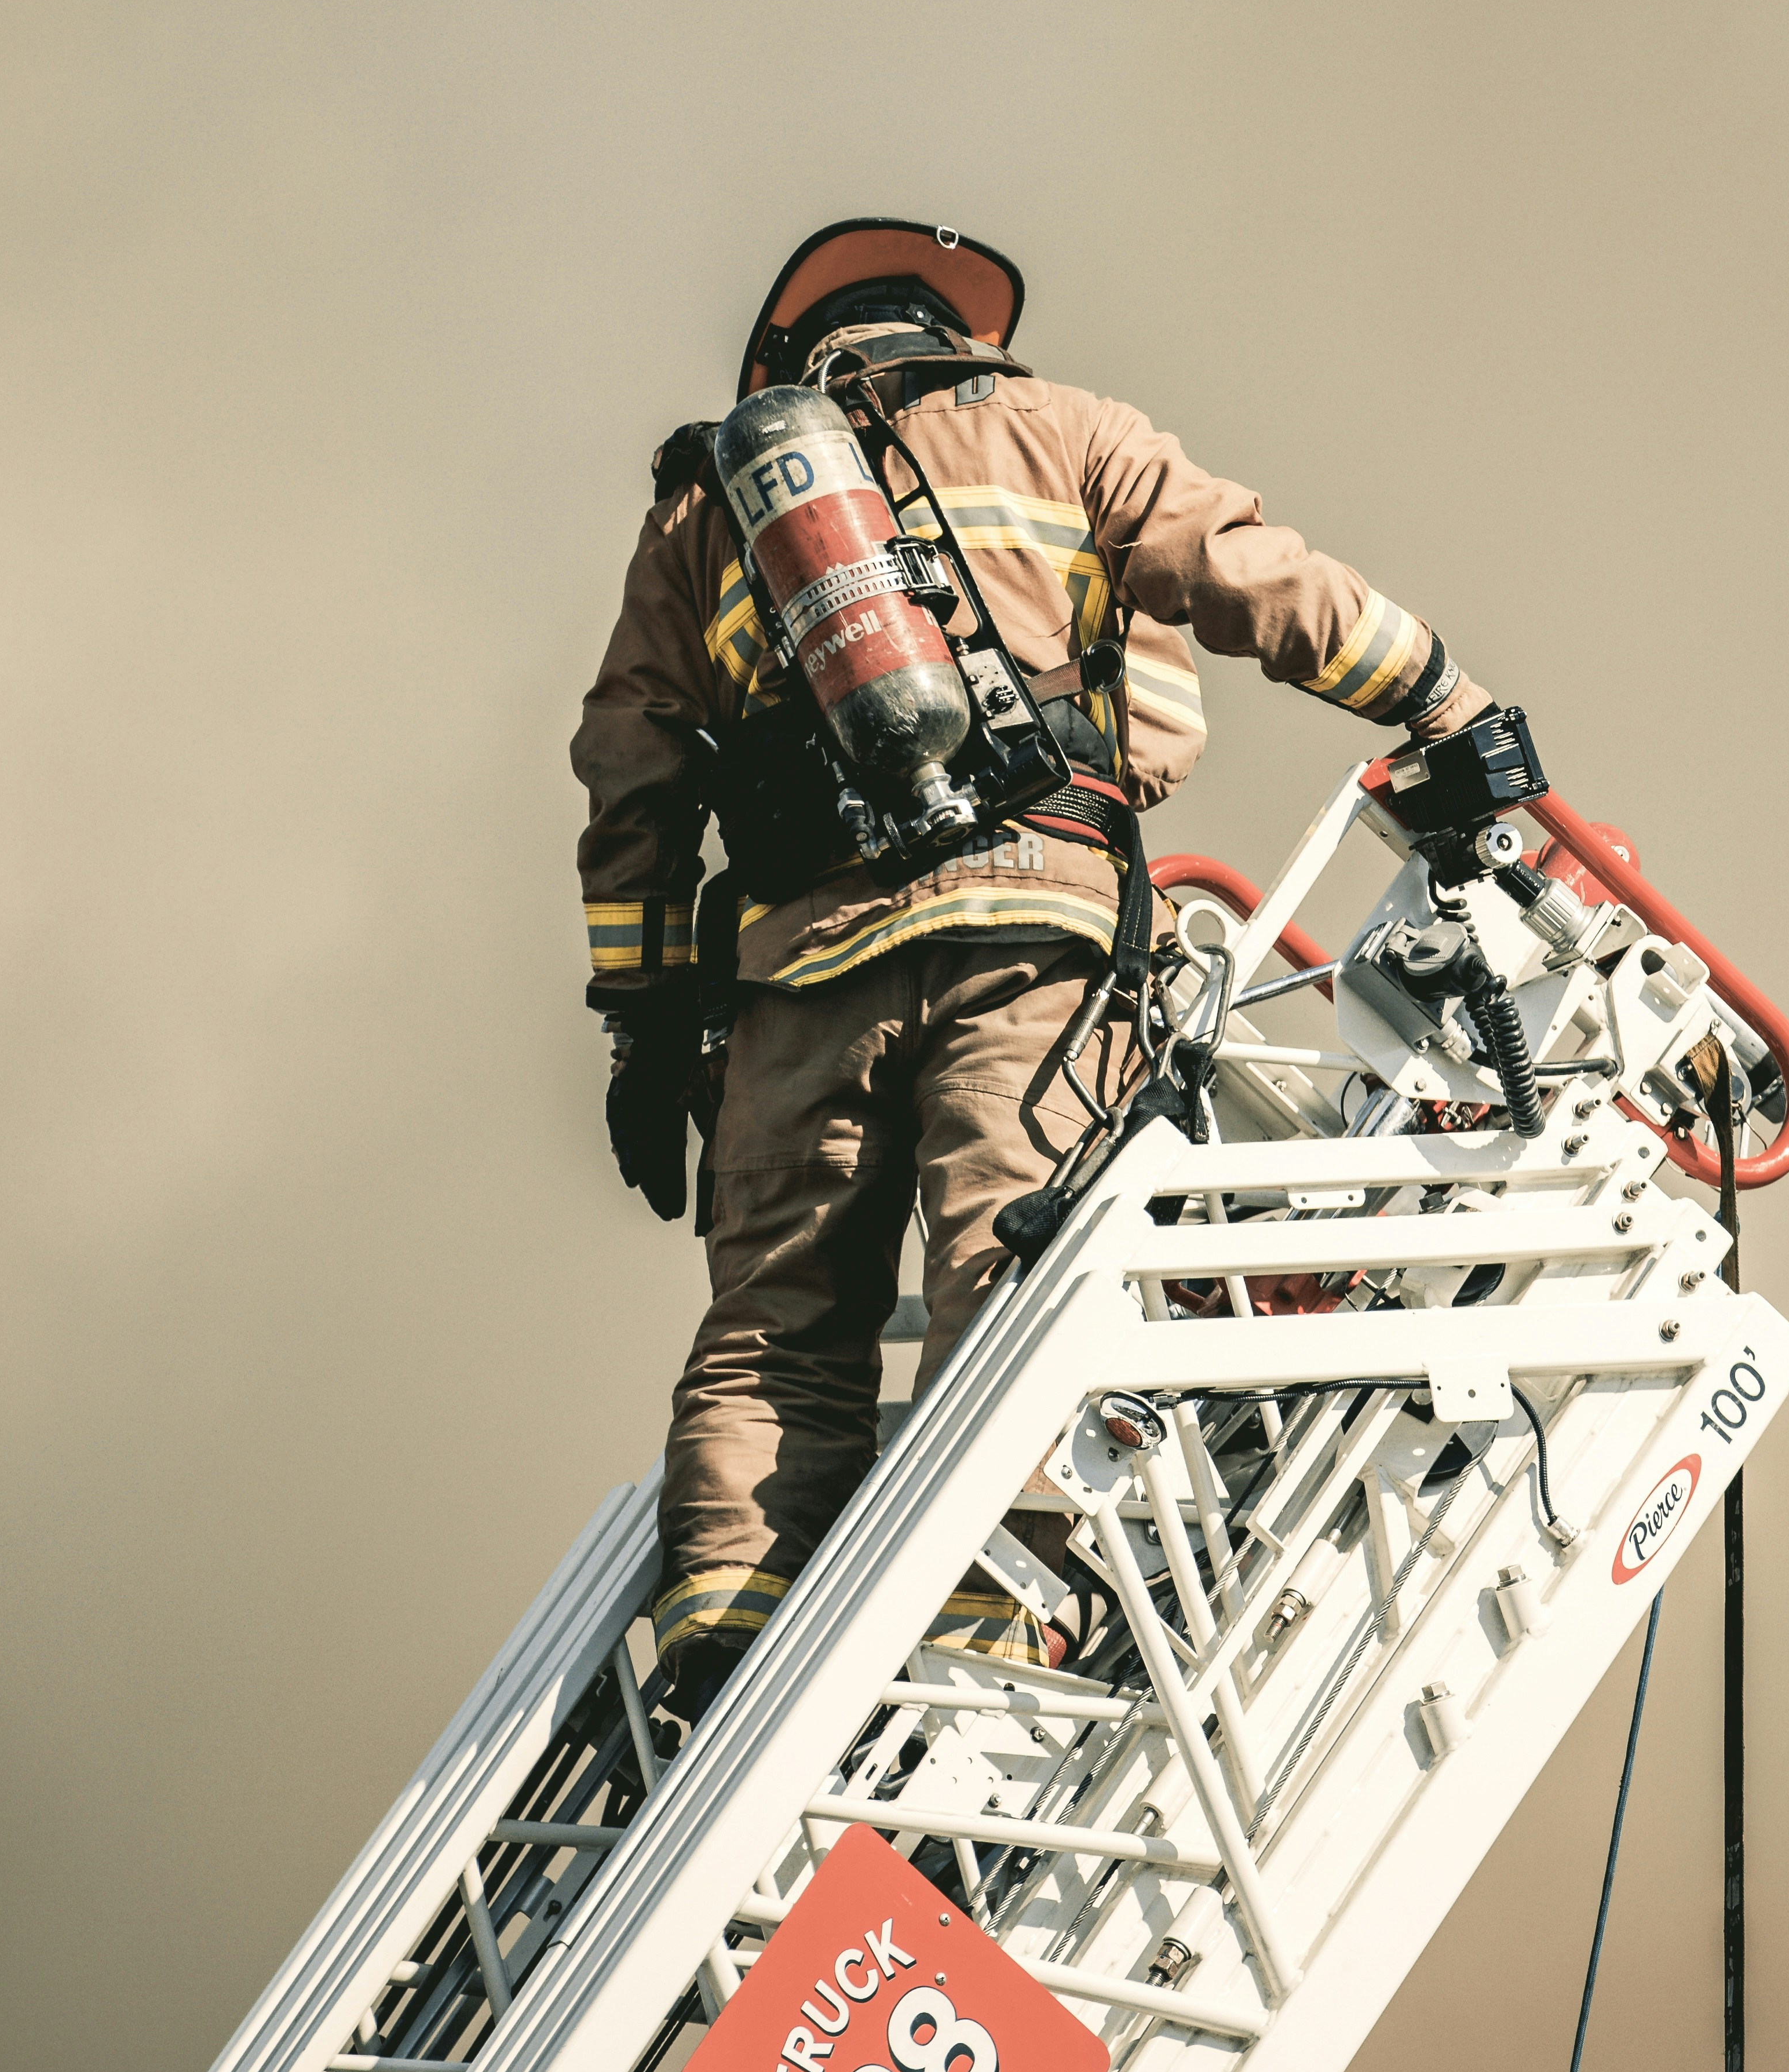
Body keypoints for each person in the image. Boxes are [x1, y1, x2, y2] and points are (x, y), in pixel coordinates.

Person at [572, 218, 1490, 1718]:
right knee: (1011, 1278)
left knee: (770, 1332)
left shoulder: (701, 516)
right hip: (1030, 939)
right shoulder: (1063, 429)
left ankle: (720, 1640)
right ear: (957, 329)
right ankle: (990, 1626)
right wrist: (1440, 696)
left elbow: (631, 781)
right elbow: (1249, 577)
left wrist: (641, 1029)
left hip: (797, 988)